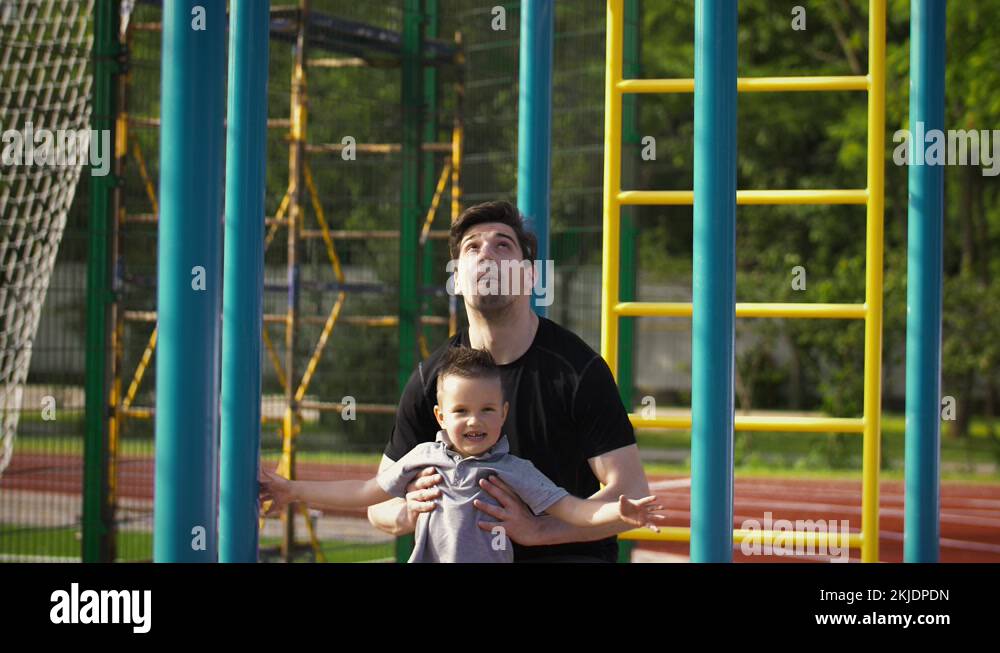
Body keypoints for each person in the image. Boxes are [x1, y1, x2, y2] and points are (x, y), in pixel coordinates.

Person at [365, 200, 653, 562]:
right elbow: (377, 507)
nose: (487, 252)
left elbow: (629, 491)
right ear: (456, 278)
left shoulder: (577, 369)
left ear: (530, 276)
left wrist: (538, 530)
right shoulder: (431, 378)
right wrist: (408, 510)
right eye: (472, 246)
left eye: (503, 244)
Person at [259, 346, 666, 562]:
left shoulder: (512, 471)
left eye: (487, 410)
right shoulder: (422, 457)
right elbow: (366, 492)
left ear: (503, 414)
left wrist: (620, 513)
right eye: (461, 411)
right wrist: (293, 490)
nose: (475, 421)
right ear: (439, 415)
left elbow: (572, 510)